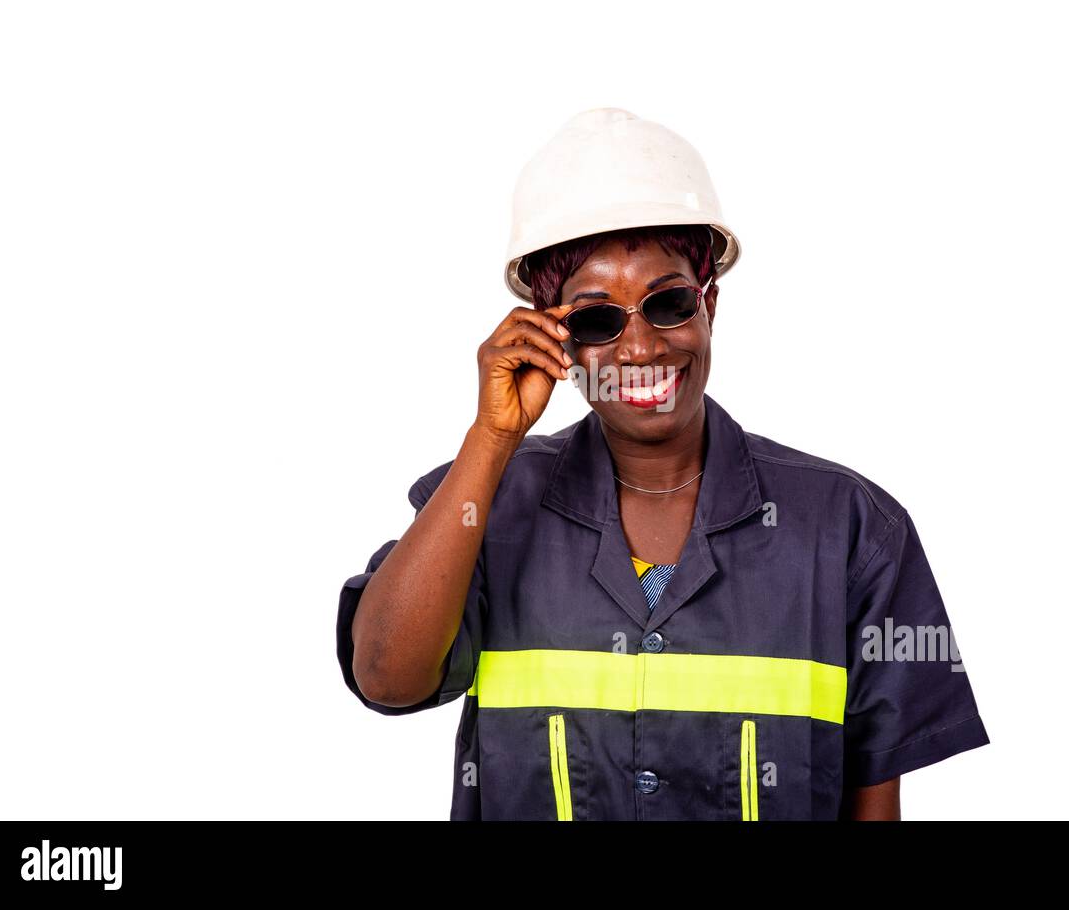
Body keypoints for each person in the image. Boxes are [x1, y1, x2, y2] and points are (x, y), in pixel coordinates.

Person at [336, 108, 989, 820]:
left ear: (709, 302)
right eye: (596, 319)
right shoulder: (486, 509)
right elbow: (385, 676)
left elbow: (874, 806)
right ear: (549, 333)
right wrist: (493, 435)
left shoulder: (852, 532)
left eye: (668, 302)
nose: (640, 348)